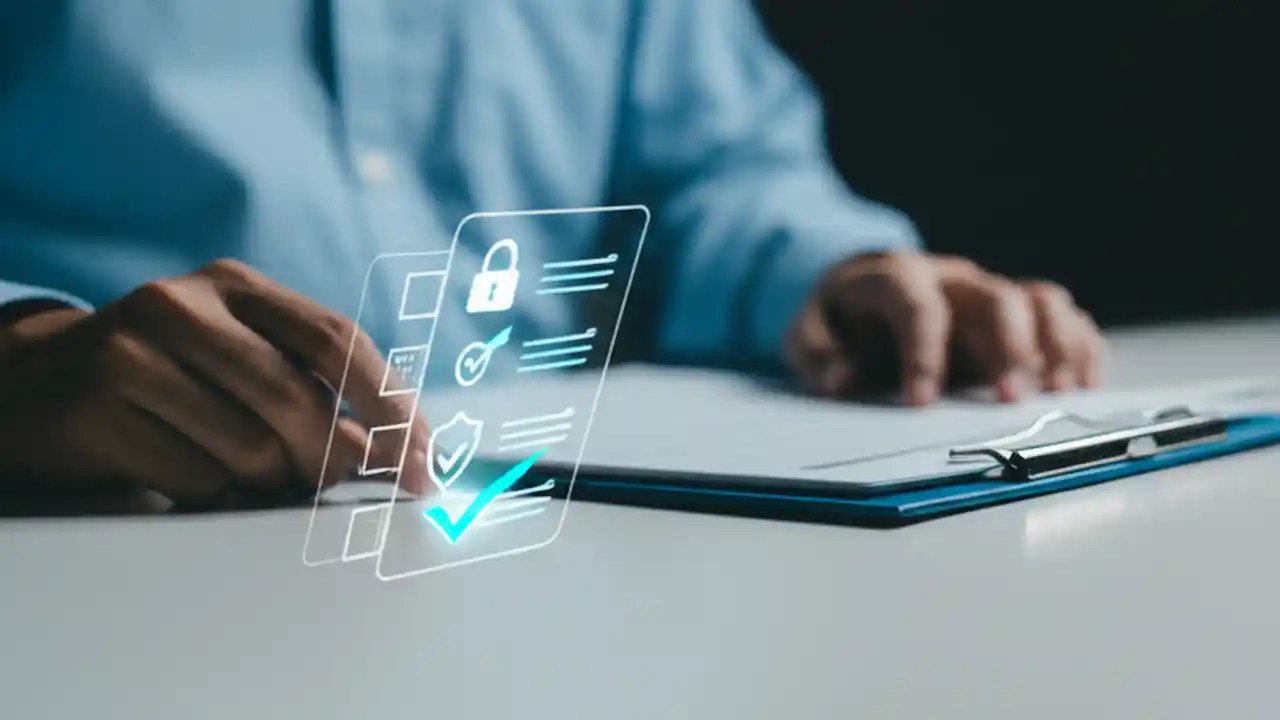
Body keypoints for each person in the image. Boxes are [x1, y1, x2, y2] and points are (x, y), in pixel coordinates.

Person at [0, 0, 1102, 511]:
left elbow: (720, 164)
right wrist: (18, 350)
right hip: (111, 542)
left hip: (572, 545)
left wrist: (824, 269)